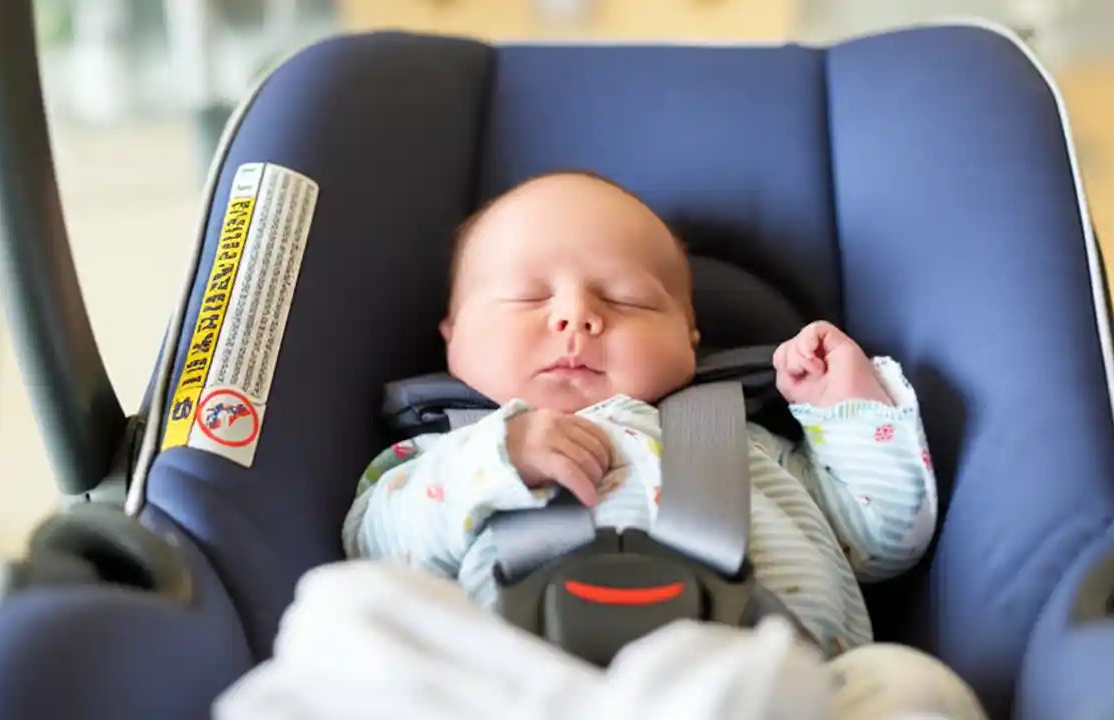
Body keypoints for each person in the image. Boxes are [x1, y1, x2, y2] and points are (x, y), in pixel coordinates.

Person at [341, 170, 986, 718]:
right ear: (451, 334)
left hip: (761, 682)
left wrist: (846, 405)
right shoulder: (444, 458)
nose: (575, 316)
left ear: (689, 336)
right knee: (344, 621)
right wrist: (496, 460)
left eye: (625, 300)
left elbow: (882, 539)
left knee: (909, 685)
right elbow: (375, 549)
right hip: (523, 687)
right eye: (529, 296)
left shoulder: (752, 444)